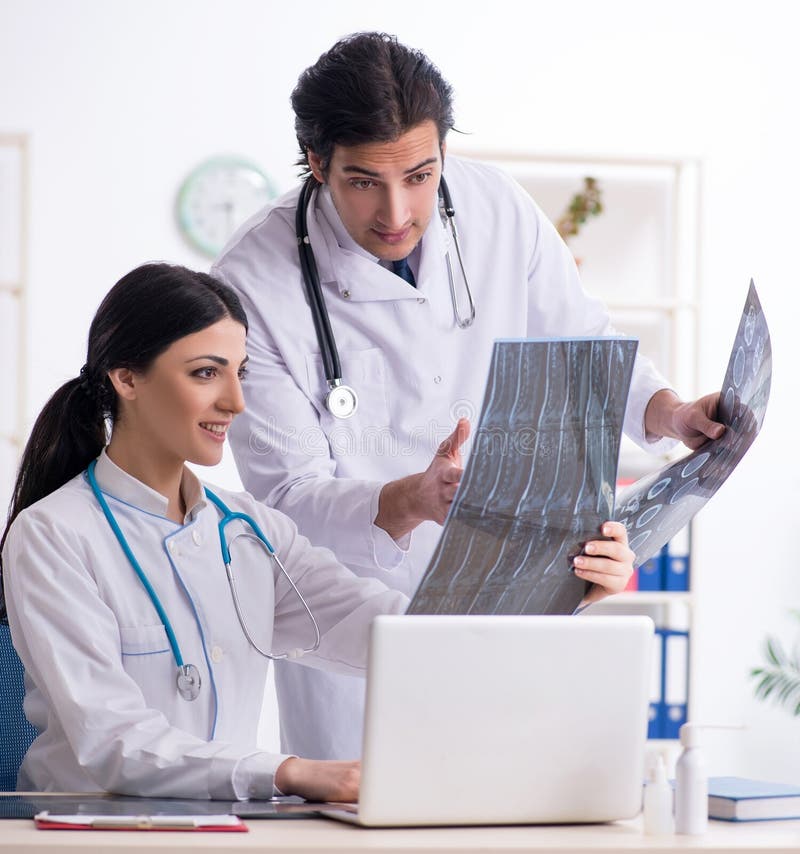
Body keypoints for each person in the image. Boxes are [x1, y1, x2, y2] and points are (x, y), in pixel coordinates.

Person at [211, 32, 719, 761]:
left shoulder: (494, 207)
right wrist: (409, 499)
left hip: (517, 592)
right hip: (359, 634)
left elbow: (582, 340)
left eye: (421, 174)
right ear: (317, 162)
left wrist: (672, 412)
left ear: (443, 150)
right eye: (363, 182)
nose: (397, 210)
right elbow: (287, 499)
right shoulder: (251, 285)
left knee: (522, 803)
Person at [0, 263, 415, 801]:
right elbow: (112, 741)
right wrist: (289, 772)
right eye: (205, 373)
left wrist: (546, 583)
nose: (236, 402)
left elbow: (385, 629)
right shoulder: (53, 535)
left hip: (224, 830)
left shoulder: (250, 529)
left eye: (239, 372)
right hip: (89, 831)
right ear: (126, 378)